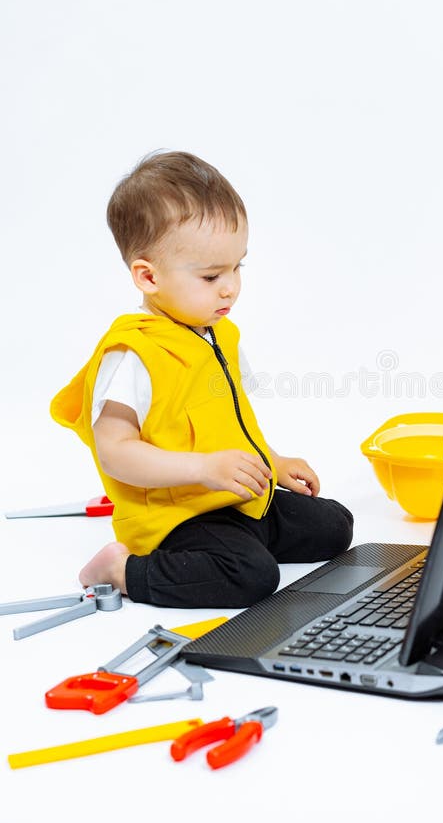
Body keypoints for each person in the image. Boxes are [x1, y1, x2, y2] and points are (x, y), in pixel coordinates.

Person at [51, 151, 353, 608]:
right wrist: (204, 469)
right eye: (212, 275)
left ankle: (232, 547)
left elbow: (229, 422)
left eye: (238, 268)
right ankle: (125, 570)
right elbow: (115, 453)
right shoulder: (133, 355)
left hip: (232, 498)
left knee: (336, 526)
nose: (230, 286)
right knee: (254, 577)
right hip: (178, 515)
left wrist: (271, 461)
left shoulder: (219, 334)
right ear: (148, 276)